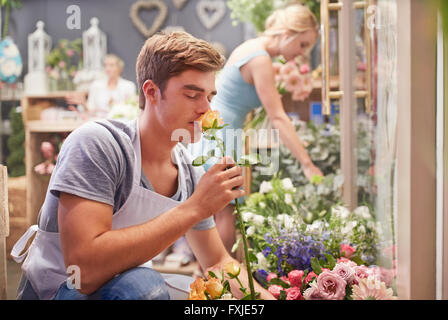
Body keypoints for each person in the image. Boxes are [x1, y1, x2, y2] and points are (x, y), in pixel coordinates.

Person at [11, 31, 274, 300]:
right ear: (151, 91)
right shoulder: (98, 144)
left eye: (209, 97)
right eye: (193, 95)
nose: (206, 109)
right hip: (57, 289)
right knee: (144, 285)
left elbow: (218, 264)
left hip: (122, 289)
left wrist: (267, 299)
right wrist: (196, 207)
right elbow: (84, 272)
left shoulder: (188, 173)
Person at [190, 4, 324, 254]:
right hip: (222, 134)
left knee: (219, 212)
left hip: (219, 130)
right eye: (302, 45)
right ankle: (222, 280)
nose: (301, 53)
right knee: (226, 212)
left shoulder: (254, 49)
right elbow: (278, 117)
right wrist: (307, 164)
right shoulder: (260, 59)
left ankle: (216, 280)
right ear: (288, 34)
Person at [65, 54, 136, 118]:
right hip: (99, 124)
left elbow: (131, 110)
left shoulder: (129, 86)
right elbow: (90, 111)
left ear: (120, 68)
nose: (108, 69)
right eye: (106, 65)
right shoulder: (96, 85)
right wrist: (83, 104)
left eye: (111, 65)